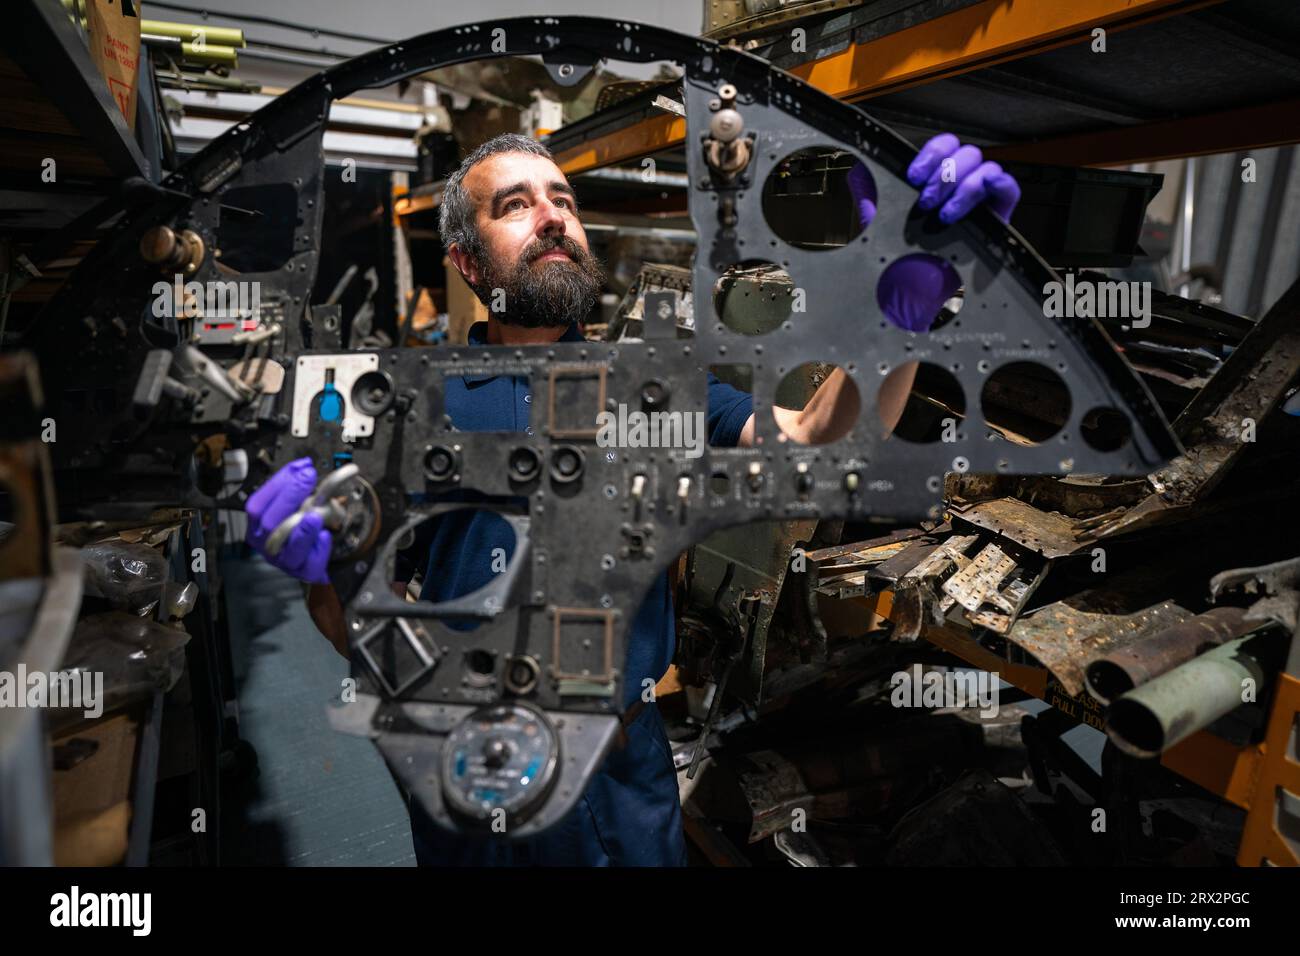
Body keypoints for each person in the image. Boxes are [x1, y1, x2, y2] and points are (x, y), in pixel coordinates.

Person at [245, 131, 1020, 866]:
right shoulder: (411, 407)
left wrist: (899, 321)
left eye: (563, 200)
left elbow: (820, 438)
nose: (553, 216)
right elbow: (346, 621)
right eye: (515, 205)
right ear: (467, 264)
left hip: (624, 770)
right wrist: (322, 568)